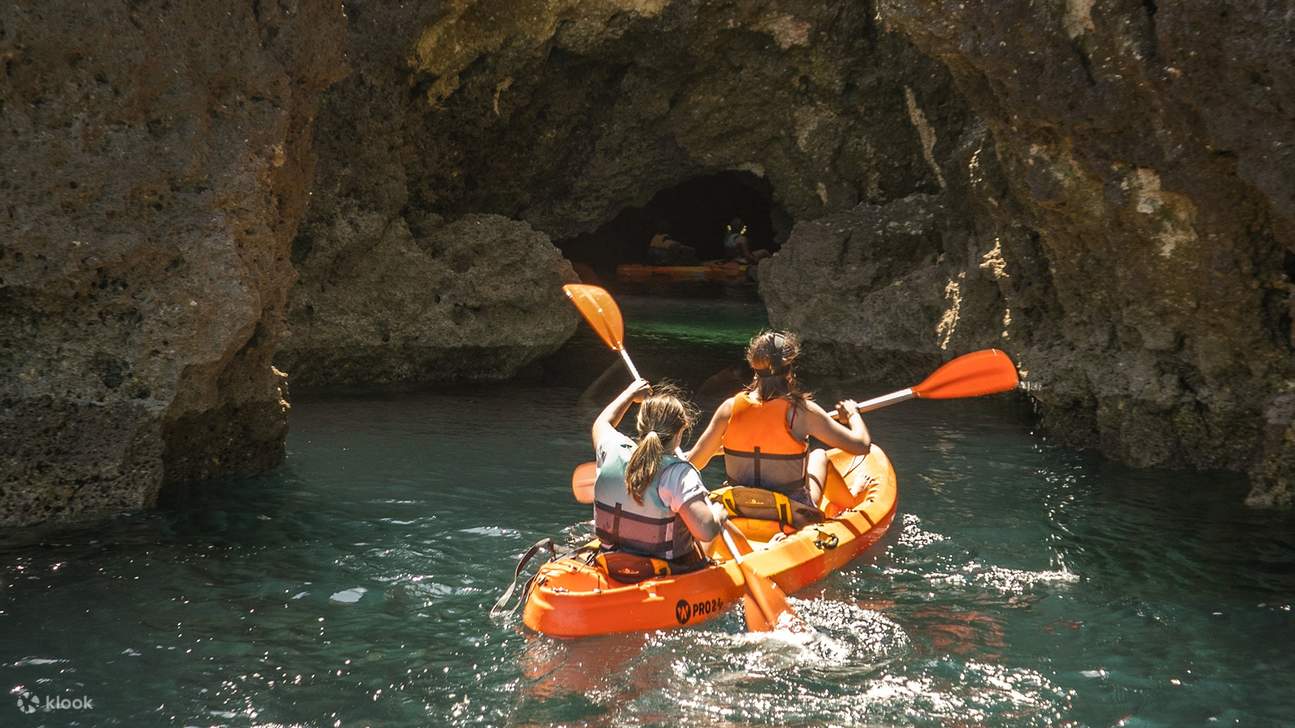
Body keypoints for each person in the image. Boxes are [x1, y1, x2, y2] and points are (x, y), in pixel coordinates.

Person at [685, 331, 872, 520]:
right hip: (789, 512)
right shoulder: (802, 412)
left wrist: (718, 449)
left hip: (738, 506)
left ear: (753, 365)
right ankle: (851, 500)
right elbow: (861, 446)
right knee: (819, 456)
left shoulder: (729, 408)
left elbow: (693, 463)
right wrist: (852, 414)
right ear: (789, 368)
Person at [592, 379, 726, 573]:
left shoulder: (611, 449)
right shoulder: (680, 474)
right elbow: (705, 532)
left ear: (640, 425)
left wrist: (629, 394)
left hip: (610, 561)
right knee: (722, 526)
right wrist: (718, 515)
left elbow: (602, 423)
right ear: (680, 432)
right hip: (662, 571)